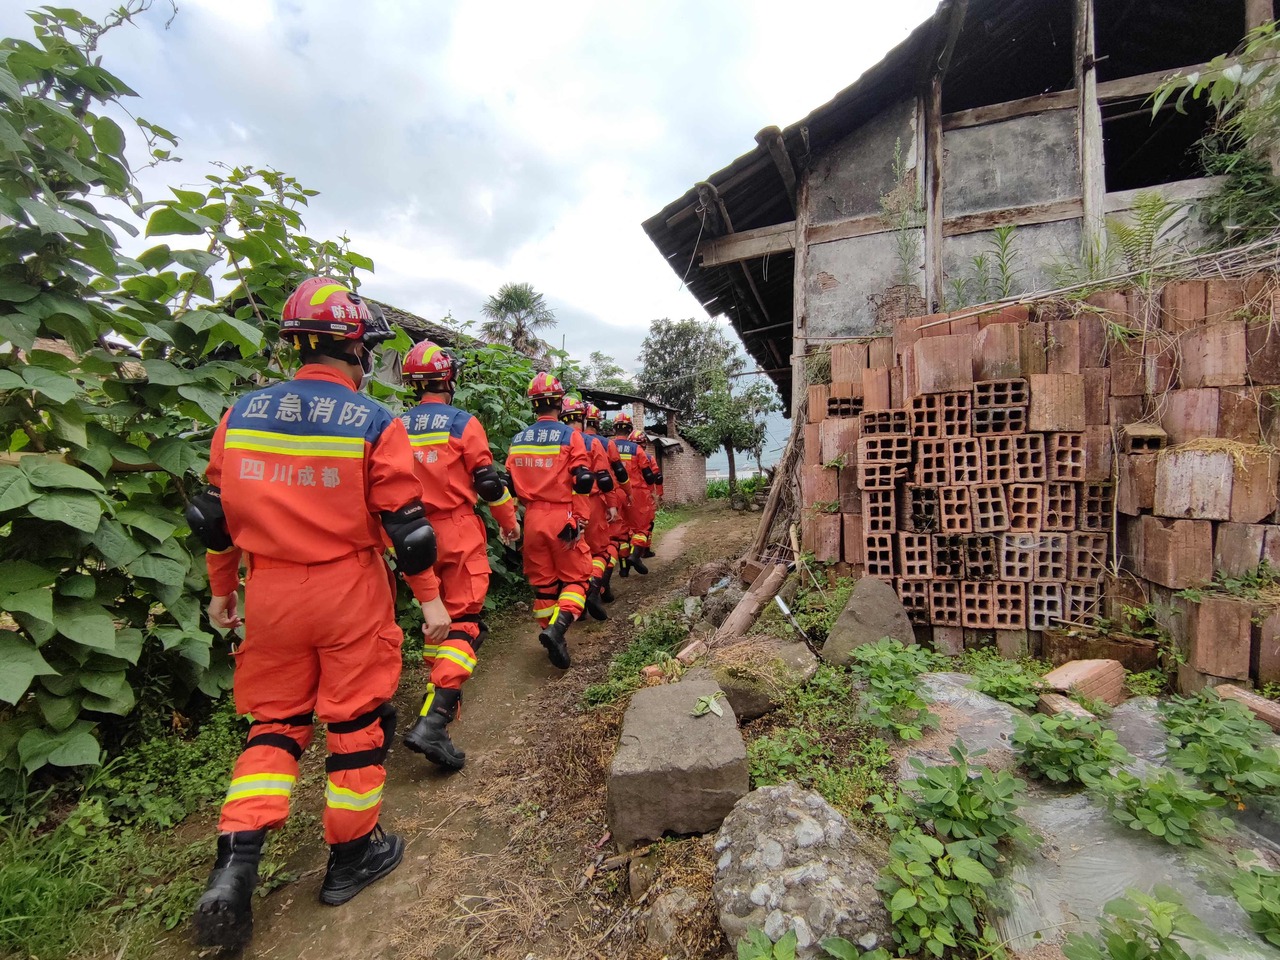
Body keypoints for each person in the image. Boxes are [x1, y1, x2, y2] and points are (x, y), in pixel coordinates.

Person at [186, 278, 450, 950]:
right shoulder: (372, 420)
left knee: (274, 725)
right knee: (357, 721)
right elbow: (408, 529)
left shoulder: (240, 415)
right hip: (346, 590)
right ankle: (352, 856)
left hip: (268, 592)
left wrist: (223, 591)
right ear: (357, 348)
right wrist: (431, 602)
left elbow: (214, 520)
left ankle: (234, 866)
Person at [397, 340, 520, 771]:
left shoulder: (395, 426)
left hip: (409, 531)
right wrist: (507, 521)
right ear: (449, 378)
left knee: (436, 620)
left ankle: (439, 704)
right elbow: (488, 483)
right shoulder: (462, 423)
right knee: (465, 621)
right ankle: (434, 719)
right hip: (455, 528)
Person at [505, 373, 594, 669]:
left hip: (531, 519)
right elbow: (582, 480)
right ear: (559, 403)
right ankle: (558, 629)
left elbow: (508, 486)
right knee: (577, 578)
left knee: (543, 586)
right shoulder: (571, 436)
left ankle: (550, 634)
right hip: (562, 515)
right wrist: (580, 519)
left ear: (534, 404)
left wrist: (509, 523)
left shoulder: (518, 440)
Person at [559, 397, 613, 620]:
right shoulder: (594, 443)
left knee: (569, 560)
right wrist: (612, 505)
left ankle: (575, 610)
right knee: (599, 552)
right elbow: (605, 478)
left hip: (563, 508)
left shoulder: (556, 441)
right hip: (592, 503)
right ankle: (593, 588)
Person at [583, 402, 629, 602]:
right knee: (607, 545)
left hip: (569, 505)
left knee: (576, 554)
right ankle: (601, 587)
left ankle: (578, 603)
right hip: (600, 500)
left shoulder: (566, 441)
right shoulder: (604, 444)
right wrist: (627, 492)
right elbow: (617, 473)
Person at [609, 415, 651, 576]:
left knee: (621, 532)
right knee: (641, 528)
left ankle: (624, 568)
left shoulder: (607, 445)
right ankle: (635, 556)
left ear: (614, 429)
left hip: (614, 493)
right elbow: (648, 475)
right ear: (629, 430)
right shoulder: (636, 449)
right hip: (635, 492)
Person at [633, 428, 664, 556]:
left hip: (626, 494)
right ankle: (644, 550)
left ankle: (628, 553)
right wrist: (659, 494)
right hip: (646, 496)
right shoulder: (649, 458)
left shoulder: (623, 455)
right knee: (647, 524)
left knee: (629, 525)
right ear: (644, 444)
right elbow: (658, 477)